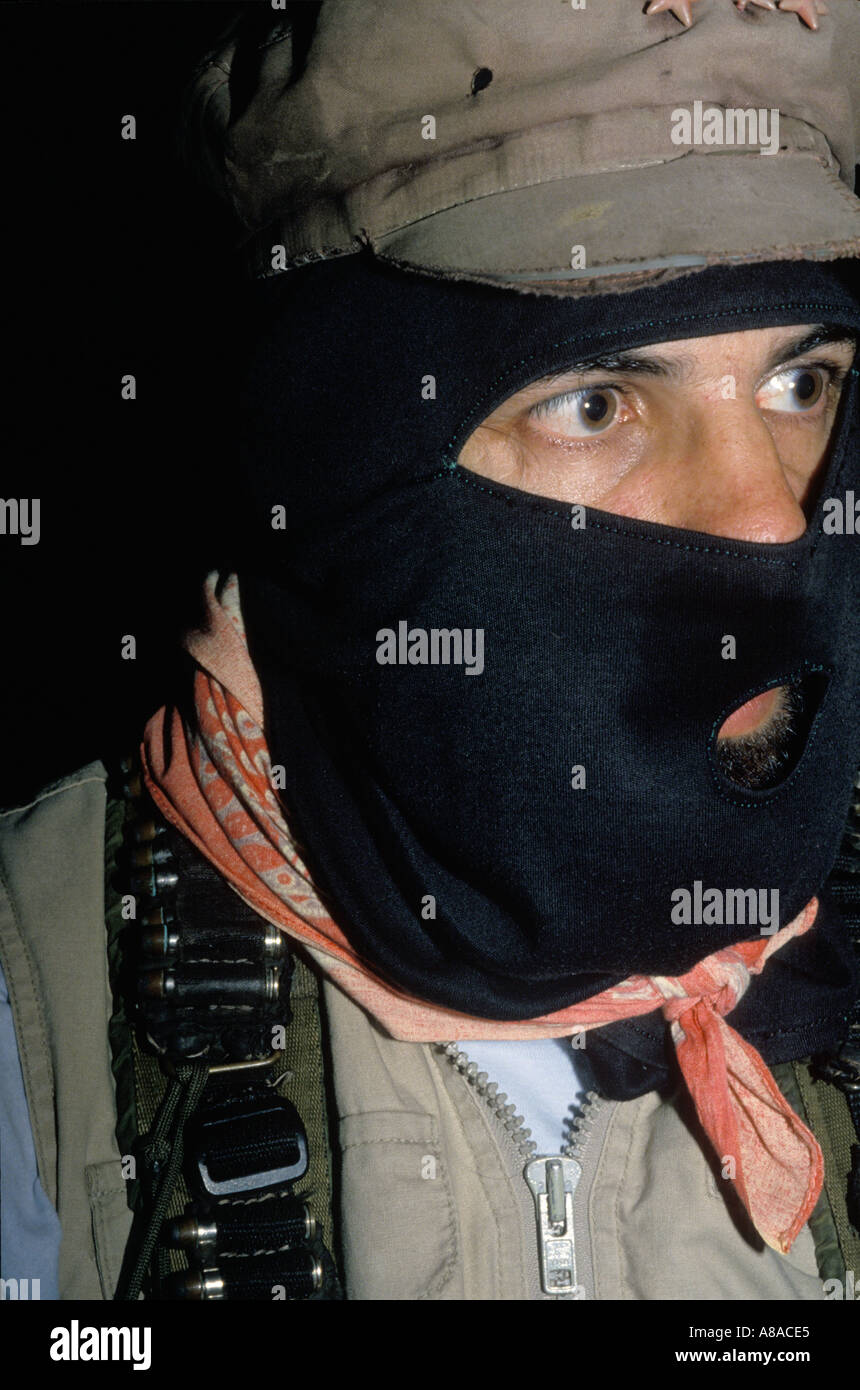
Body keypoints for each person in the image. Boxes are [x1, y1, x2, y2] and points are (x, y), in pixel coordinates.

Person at [1, 0, 859, 1302]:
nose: (766, 514)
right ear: (348, 467)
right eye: (596, 401)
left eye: (802, 383)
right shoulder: (33, 1018)